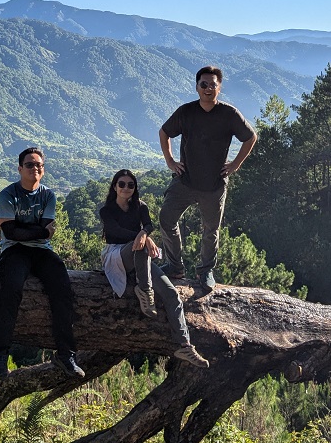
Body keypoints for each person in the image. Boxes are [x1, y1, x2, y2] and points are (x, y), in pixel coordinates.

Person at [158, 66, 257, 293]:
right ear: (197, 87)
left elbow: (251, 137)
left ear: (219, 88)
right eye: (204, 84)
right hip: (184, 180)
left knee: (211, 229)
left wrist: (236, 164)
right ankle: (175, 266)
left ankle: (205, 271)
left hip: (214, 184)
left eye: (213, 85)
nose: (208, 88)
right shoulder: (186, 112)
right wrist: (170, 161)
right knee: (166, 218)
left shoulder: (229, 114)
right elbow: (164, 132)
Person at [0, 147, 84, 381]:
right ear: (20, 168)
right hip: (14, 251)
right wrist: (39, 230)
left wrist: (23, 230)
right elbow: (12, 234)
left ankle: (66, 354)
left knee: (63, 290)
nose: (35, 168)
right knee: (11, 290)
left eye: (39, 165)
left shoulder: (48, 195)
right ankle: (0, 355)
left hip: (42, 252)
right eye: (30, 164)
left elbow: (27, 232)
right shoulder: (7, 194)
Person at [99, 169, 209, 368]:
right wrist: (142, 236)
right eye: (121, 184)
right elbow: (115, 231)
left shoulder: (140, 206)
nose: (126, 188)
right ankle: (145, 290)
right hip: (117, 254)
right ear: (114, 186)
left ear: (135, 188)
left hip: (139, 257)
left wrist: (144, 233)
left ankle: (184, 345)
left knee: (171, 294)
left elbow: (148, 224)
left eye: (130, 185)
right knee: (140, 247)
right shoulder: (106, 210)